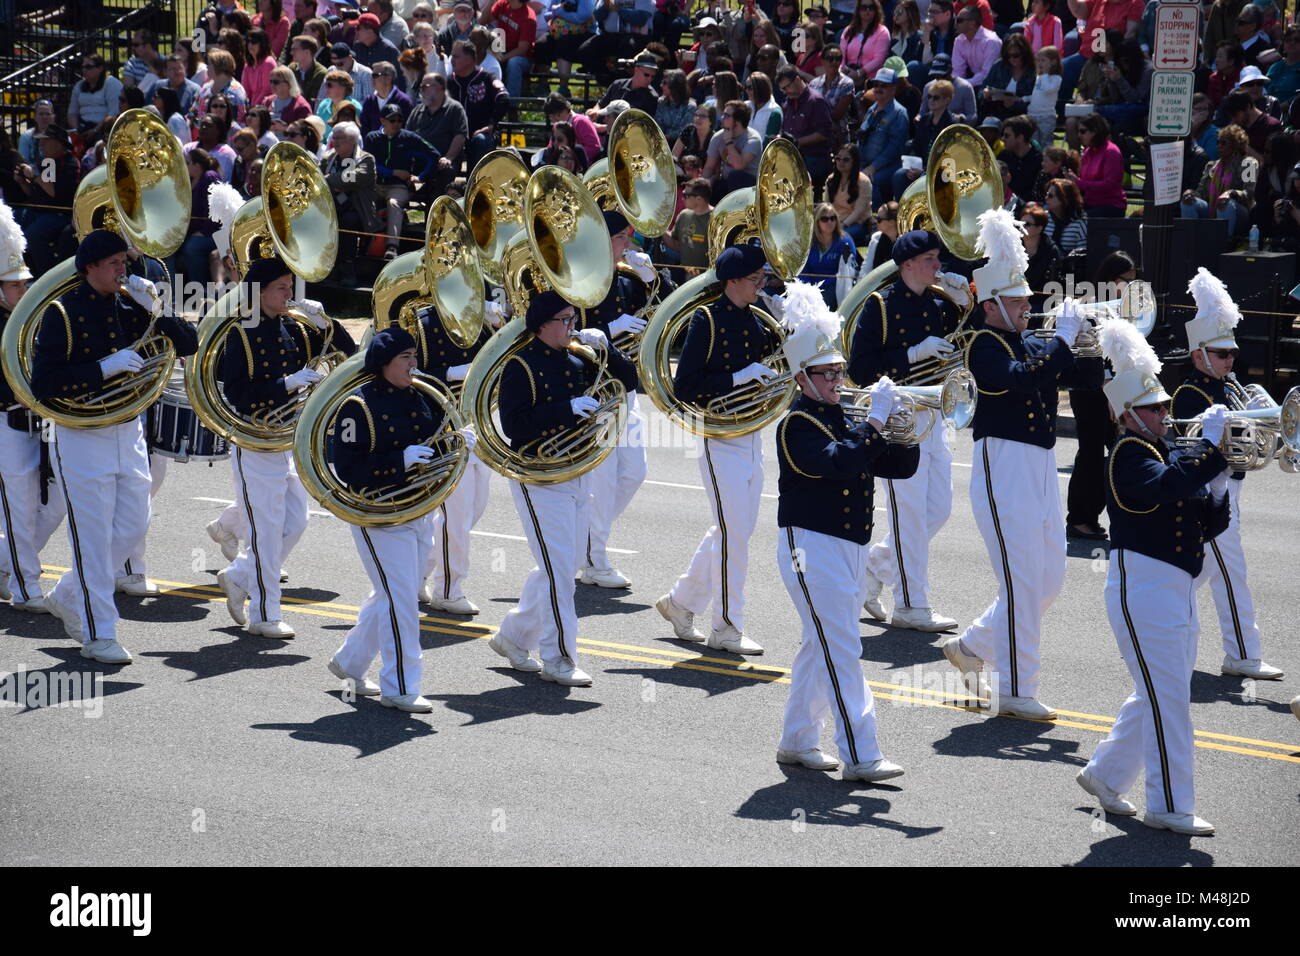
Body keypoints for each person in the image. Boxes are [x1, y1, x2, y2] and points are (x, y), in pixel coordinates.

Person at [939, 209, 1101, 719]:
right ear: (991, 306)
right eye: (1018, 301)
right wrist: (1059, 340)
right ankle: (1016, 690)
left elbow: (1088, 382)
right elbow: (1016, 378)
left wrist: (1096, 341)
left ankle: (972, 647)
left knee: (1049, 576)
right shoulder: (983, 344)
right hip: (1002, 464)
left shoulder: (1031, 338)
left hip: (1041, 463)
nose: (1028, 307)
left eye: (1029, 300)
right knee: (1022, 580)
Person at [1076, 315, 1233, 836]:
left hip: (1176, 587)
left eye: (1166, 406)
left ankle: (1105, 773)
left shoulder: (1161, 449)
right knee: (1169, 698)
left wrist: (1217, 487)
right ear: (1126, 414)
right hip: (1143, 588)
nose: (1165, 415)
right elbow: (1162, 488)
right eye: (1154, 408)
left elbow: (1208, 522)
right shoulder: (1126, 454)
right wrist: (1208, 454)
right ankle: (1168, 804)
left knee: (1159, 691)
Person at [773, 280, 917, 783]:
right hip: (809, 548)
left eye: (838, 371)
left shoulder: (842, 417)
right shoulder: (798, 424)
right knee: (842, 648)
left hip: (847, 546)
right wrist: (873, 426)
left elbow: (899, 468)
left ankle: (796, 741)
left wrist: (904, 423)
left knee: (821, 646)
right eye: (826, 374)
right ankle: (861, 752)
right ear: (801, 378)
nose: (837, 380)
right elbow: (837, 464)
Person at [34, 231, 198, 663]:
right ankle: (98, 632)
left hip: (128, 430)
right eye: (114, 264)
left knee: (134, 525)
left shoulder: (131, 307)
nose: (122, 270)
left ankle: (69, 592)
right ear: (90, 267)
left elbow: (189, 344)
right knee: (91, 539)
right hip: (82, 435)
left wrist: (159, 310)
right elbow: (44, 384)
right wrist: (100, 369)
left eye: (123, 263)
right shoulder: (62, 313)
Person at [490, 290, 639, 686]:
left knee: (564, 566)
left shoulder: (577, 360)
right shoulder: (519, 365)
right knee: (560, 573)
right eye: (565, 320)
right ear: (542, 324)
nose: (573, 327)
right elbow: (514, 427)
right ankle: (559, 658)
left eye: (574, 319)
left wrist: (607, 348)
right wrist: (566, 410)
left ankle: (514, 635)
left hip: (576, 471)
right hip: (538, 479)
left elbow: (629, 382)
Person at [215, 257, 357, 638]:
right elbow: (238, 395)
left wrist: (327, 321)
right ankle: (265, 614)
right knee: (266, 528)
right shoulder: (240, 333)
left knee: (296, 520)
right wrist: (286, 383)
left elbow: (349, 353)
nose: (290, 294)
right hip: (254, 441)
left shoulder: (293, 327)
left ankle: (240, 575)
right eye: (282, 288)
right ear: (259, 292)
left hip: (285, 438)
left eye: (290, 287)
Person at [656, 244, 779, 656]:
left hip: (750, 433)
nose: (762, 285)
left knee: (735, 531)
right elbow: (685, 385)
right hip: (720, 437)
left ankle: (681, 603)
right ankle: (727, 626)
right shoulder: (706, 320)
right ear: (732, 282)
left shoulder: (755, 320)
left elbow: (775, 365)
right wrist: (739, 376)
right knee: (734, 536)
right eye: (755, 279)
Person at [849, 229, 969, 631]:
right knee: (910, 514)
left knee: (938, 508)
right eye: (932, 259)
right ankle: (911, 603)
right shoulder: (879, 306)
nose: (939, 266)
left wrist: (965, 302)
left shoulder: (939, 302)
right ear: (908, 265)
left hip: (935, 413)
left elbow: (965, 342)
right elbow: (861, 370)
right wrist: (911, 354)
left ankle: (874, 566)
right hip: (901, 417)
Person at [1169, 269, 1284, 681]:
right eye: (1222, 354)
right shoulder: (1190, 393)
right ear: (1199, 356)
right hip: (1208, 495)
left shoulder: (1228, 387)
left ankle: (1161, 625)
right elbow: (1190, 447)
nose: (1230, 360)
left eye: (1232, 352)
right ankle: (1243, 655)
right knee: (1229, 574)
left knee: (1198, 575)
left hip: (1230, 490)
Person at [326, 327, 442, 712]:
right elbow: (347, 469)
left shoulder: (420, 396)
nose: (414, 364)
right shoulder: (357, 407)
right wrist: (399, 461)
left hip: (418, 507)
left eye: (414, 356)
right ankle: (401, 686)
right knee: (402, 602)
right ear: (384, 364)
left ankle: (350, 661)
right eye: (405, 358)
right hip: (377, 513)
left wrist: (458, 443)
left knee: (394, 594)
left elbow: (436, 441)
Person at [574, 211, 653, 588]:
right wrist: (608, 329)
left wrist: (653, 277)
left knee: (635, 471)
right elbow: (565, 329)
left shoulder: (625, 277)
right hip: (593, 387)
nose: (628, 245)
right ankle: (594, 556)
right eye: (622, 237)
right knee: (602, 480)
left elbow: (662, 310)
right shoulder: (581, 277)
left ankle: (586, 537)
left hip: (624, 385)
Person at [412, 297, 499, 616]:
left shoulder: (480, 321)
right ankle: (449, 589)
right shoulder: (424, 323)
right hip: (441, 428)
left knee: (473, 511)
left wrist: (498, 329)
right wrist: (452, 372)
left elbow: (498, 366)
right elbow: (410, 373)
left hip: (476, 424)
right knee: (457, 518)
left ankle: (418, 571)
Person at [0, 199, 64, 613]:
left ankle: (7, 564)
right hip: (7, 423)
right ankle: (25, 585)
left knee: (56, 502)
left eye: (25, 283)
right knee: (20, 507)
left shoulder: (32, 318)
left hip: (40, 424)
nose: (24, 290)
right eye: (15, 285)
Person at [365, 104, 439, 259]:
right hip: (375, 185)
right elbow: (369, 163)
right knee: (364, 201)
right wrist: (392, 172)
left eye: (400, 120)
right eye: (392, 120)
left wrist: (420, 177)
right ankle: (366, 244)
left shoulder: (409, 137)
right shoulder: (372, 137)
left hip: (398, 186)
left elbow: (433, 155)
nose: (397, 123)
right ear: (382, 121)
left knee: (393, 203)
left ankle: (392, 247)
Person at [15, 124, 79, 277]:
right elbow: (35, 193)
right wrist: (23, 182)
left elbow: (54, 194)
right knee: (14, 223)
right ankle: (22, 272)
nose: (41, 144)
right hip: (39, 210)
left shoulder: (69, 162)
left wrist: (34, 175)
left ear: (58, 143)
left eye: (46, 141)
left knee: (33, 234)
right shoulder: (46, 162)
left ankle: (47, 277)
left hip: (60, 214)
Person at [322, 122, 379, 288]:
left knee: (349, 220)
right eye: (334, 137)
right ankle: (327, 268)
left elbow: (354, 178)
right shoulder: (328, 159)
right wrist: (336, 181)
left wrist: (329, 179)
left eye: (341, 138)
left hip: (359, 212)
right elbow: (315, 177)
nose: (335, 141)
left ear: (353, 140)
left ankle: (348, 268)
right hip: (332, 208)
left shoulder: (366, 159)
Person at [1179, 124, 1256, 238]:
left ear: (1235, 145)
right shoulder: (1211, 166)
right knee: (1189, 202)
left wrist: (1231, 194)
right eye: (1218, 142)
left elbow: (1249, 193)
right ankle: (1189, 243)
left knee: (1226, 204)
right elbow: (1200, 193)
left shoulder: (1248, 163)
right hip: (1212, 210)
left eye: (1223, 143)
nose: (1219, 146)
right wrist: (1191, 193)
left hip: (1239, 213)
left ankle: (1224, 244)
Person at [447, 39, 509, 171]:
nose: (452, 60)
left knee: (481, 140)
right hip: (454, 136)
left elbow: (503, 98)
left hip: (479, 133)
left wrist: (492, 124)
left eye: (456, 56)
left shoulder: (487, 78)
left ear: (470, 59)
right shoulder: (449, 82)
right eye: (452, 56)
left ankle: (475, 187)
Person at [856, 67, 909, 204]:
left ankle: (877, 221)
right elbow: (861, 138)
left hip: (888, 166)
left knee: (870, 183)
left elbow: (894, 148)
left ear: (893, 89)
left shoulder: (899, 113)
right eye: (876, 85)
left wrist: (873, 167)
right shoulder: (871, 109)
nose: (878, 89)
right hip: (865, 164)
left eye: (884, 86)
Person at [800, 203, 859, 309]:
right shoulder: (808, 242)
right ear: (817, 221)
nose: (830, 222)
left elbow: (847, 272)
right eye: (825, 219)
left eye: (833, 218)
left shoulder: (845, 242)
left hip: (834, 287)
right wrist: (808, 288)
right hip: (809, 287)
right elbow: (802, 268)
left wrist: (821, 285)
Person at [703, 99, 763, 202]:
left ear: (738, 120)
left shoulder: (753, 139)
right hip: (726, 183)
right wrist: (703, 184)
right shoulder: (718, 137)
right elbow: (709, 166)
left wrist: (729, 142)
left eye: (726, 116)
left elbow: (739, 165)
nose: (722, 118)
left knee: (735, 176)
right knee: (712, 187)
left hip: (749, 188)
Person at [479, 0, 536, 96]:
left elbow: (522, 50)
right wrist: (491, 2)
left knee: (514, 62)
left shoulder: (528, 17)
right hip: (502, 49)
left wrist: (501, 58)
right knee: (483, 49)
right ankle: (486, 97)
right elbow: (482, 22)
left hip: (524, 58)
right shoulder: (502, 4)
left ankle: (512, 104)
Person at [663, 177, 712, 277]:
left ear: (698, 199)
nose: (682, 197)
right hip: (686, 275)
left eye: (686, 195)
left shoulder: (715, 220)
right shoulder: (684, 215)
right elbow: (676, 244)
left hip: (708, 278)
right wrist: (661, 229)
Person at [826, 143, 872, 244]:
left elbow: (858, 212)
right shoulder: (830, 180)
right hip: (834, 222)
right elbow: (827, 206)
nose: (841, 162)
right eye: (838, 158)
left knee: (836, 239)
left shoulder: (864, 181)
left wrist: (841, 225)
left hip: (856, 224)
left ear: (854, 161)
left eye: (846, 159)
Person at [67, 54, 123, 135]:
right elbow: (72, 113)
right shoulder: (79, 86)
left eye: (88, 67)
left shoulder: (112, 83)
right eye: (82, 67)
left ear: (100, 68)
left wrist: (95, 130)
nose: (84, 70)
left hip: (103, 130)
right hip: (82, 128)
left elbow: (113, 113)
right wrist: (77, 130)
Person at [839, 0, 890, 85]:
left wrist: (860, 72)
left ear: (876, 10)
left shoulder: (882, 32)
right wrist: (842, 71)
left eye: (871, 8)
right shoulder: (849, 30)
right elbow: (841, 55)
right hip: (846, 76)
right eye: (863, 8)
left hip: (870, 80)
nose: (867, 10)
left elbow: (879, 59)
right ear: (858, 10)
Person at [951, 5, 1000, 87]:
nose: (955, 23)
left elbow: (987, 73)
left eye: (959, 20)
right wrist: (957, 85)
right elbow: (957, 70)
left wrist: (964, 85)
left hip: (992, 83)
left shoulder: (991, 42)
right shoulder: (959, 41)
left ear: (972, 23)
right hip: (972, 81)